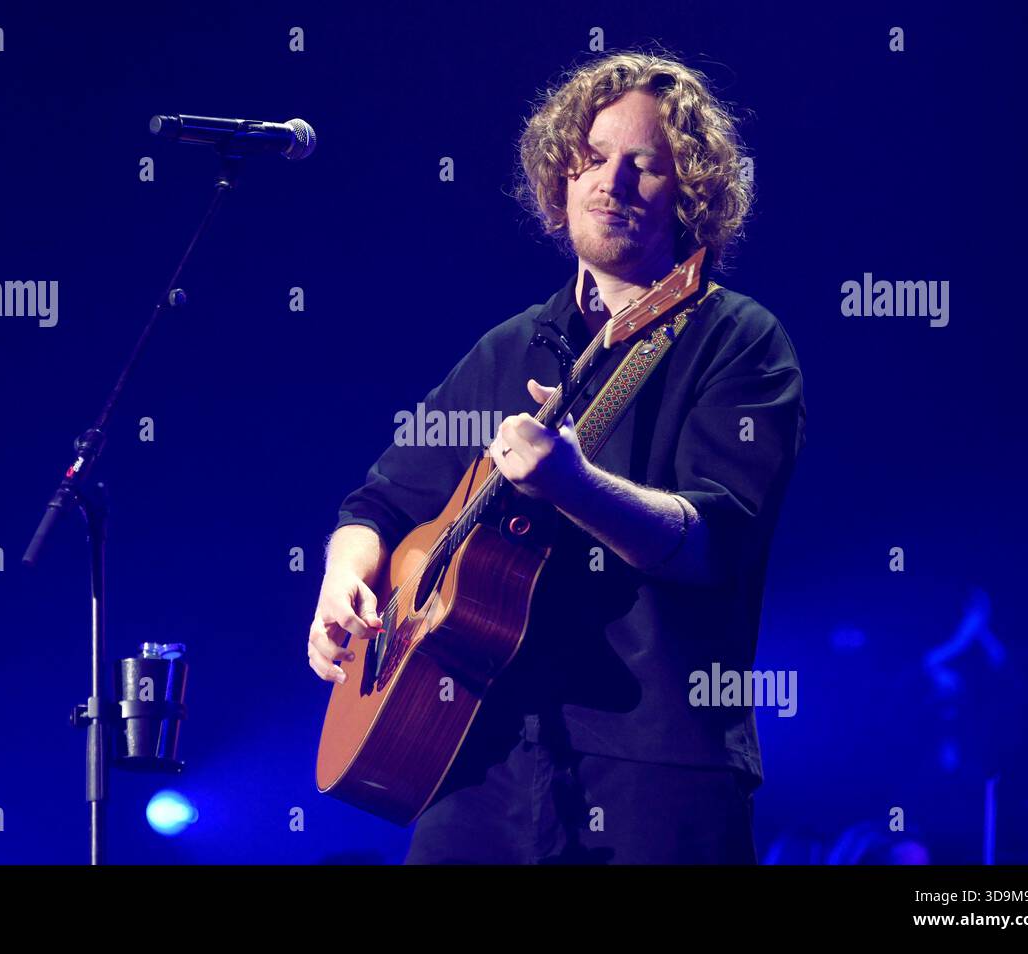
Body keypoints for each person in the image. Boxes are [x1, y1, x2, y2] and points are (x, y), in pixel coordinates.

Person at [306, 50, 806, 864]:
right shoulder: (513, 345)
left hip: (657, 765)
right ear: (559, 179)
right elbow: (381, 504)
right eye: (593, 159)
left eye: (645, 165)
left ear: (692, 196)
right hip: (474, 757)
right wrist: (344, 577)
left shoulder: (739, 339)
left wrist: (575, 484)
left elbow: (714, 540)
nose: (612, 182)